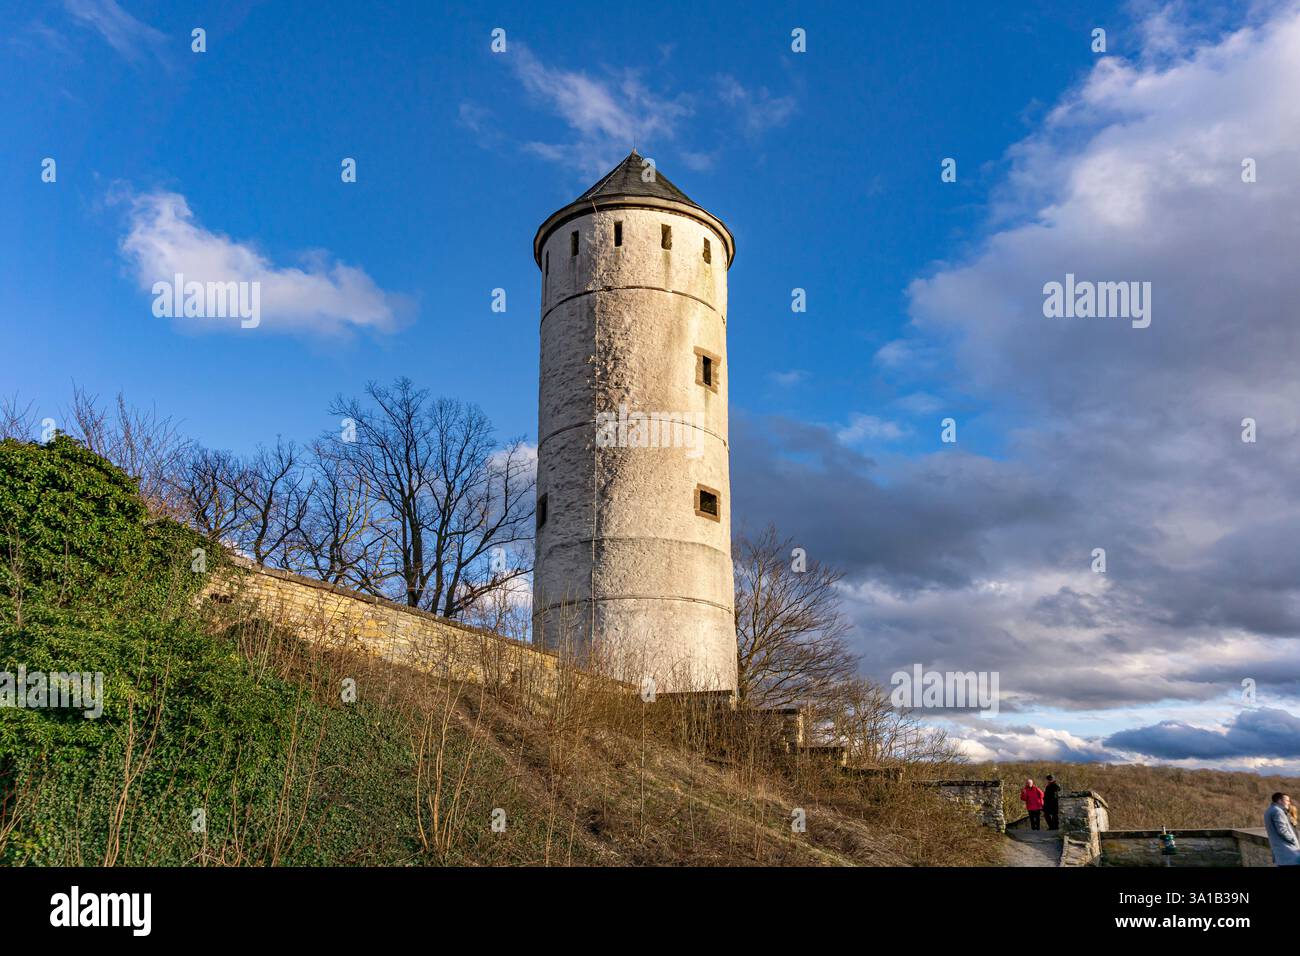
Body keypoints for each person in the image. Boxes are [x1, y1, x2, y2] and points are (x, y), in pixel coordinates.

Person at [1265, 792, 1300, 867]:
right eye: (1287, 800)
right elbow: (1282, 831)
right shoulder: (1278, 811)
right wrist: (1293, 840)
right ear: (1279, 801)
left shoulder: (1269, 810)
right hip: (1288, 853)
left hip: (1281, 854)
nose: (1289, 802)